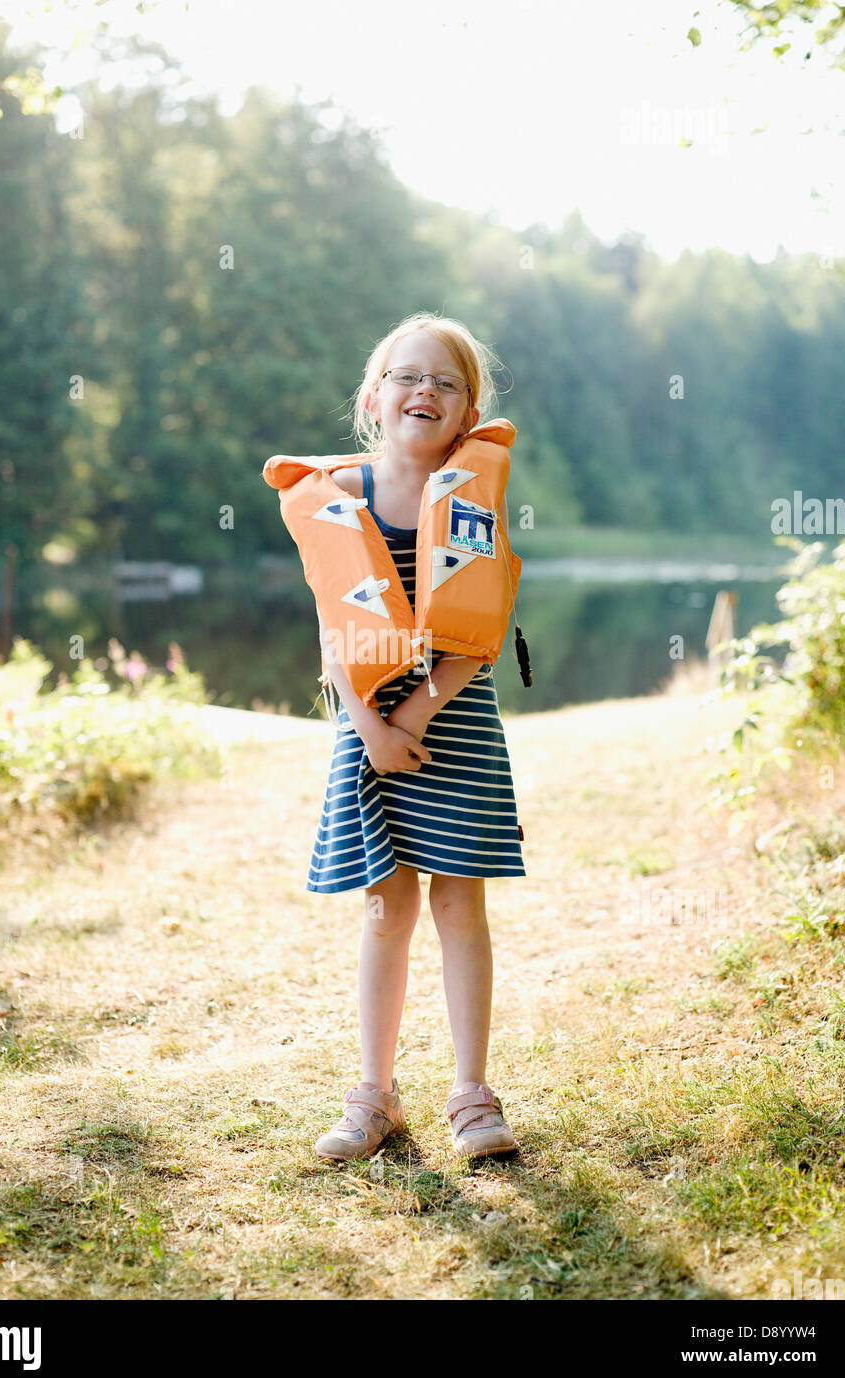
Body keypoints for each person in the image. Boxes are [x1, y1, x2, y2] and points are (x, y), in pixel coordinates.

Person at [267, 312, 526, 1161]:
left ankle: (471, 1096)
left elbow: (476, 632)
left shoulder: (471, 497)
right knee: (387, 910)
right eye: (408, 377)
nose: (426, 392)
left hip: (455, 718)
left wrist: (416, 711)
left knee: (458, 902)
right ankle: (375, 1096)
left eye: (446, 384)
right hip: (366, 726)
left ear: (466, 411)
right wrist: (370, 722)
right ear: (374, 397)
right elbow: (332, 623)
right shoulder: (338, 499)